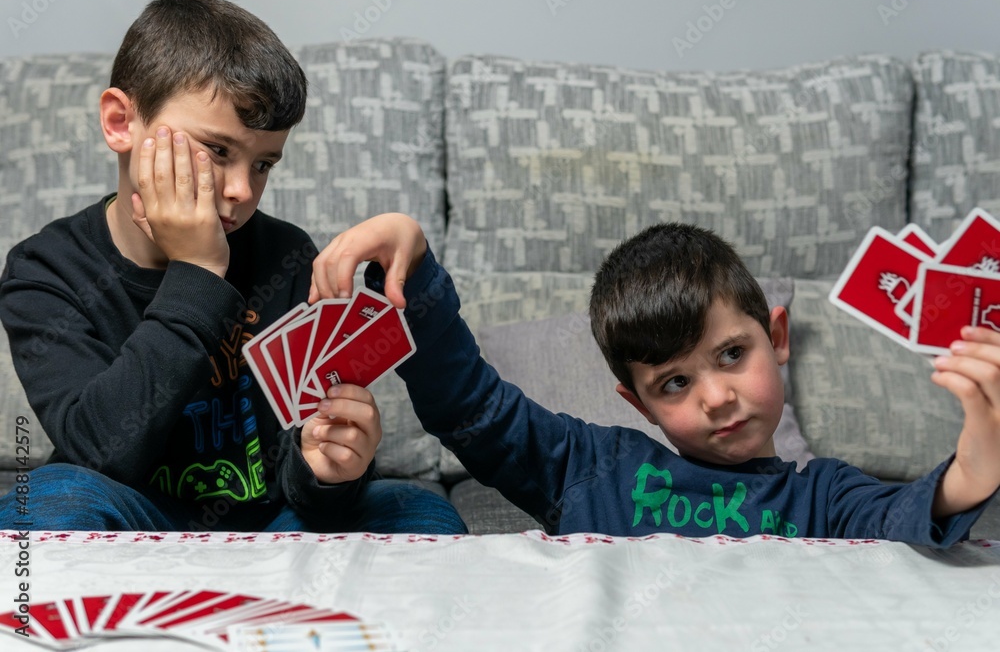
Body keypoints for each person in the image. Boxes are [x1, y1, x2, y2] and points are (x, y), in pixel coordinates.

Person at [0, 0, 466, 534]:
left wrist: (329, 471)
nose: (243, 189)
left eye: (265, 163)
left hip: (269, 526)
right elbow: (100, 451)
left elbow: (305, 467)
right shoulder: (46, 270)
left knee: (421, 510)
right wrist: (197, 272)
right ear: (121, 123)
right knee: (46, 501)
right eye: (218, 151)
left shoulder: (287, 256)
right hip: (129, 521)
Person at [309, 213, 1000, 547]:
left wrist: (975, 463)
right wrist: (415, 258)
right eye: (674, 383)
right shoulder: (591, 466)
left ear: (777, 337)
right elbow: (469, 406)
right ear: (634, 400)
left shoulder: (825, 496)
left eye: (732, 354)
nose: (716, 395)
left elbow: (906, 517)